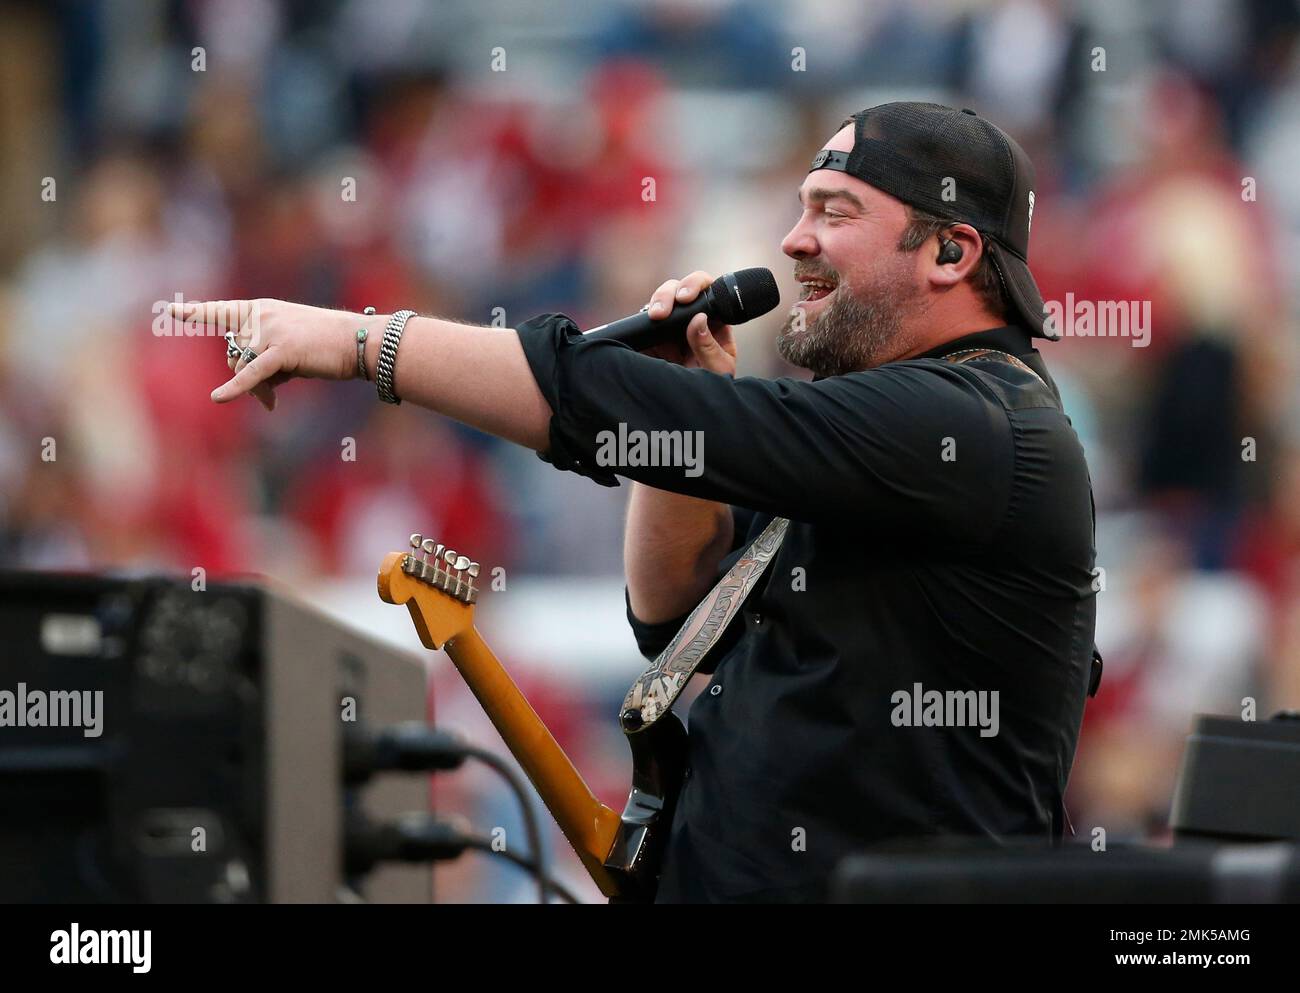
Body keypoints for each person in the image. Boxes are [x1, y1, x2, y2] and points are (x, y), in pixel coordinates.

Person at [178, 102, 1100, 903]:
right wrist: (676, 413)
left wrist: (356, 342)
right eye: (801, 207)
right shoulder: (892, 439)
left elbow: (600, 404)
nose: (795, 240)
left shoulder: (975, 425)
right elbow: (673, 611)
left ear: (950, 250)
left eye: (834, 210)